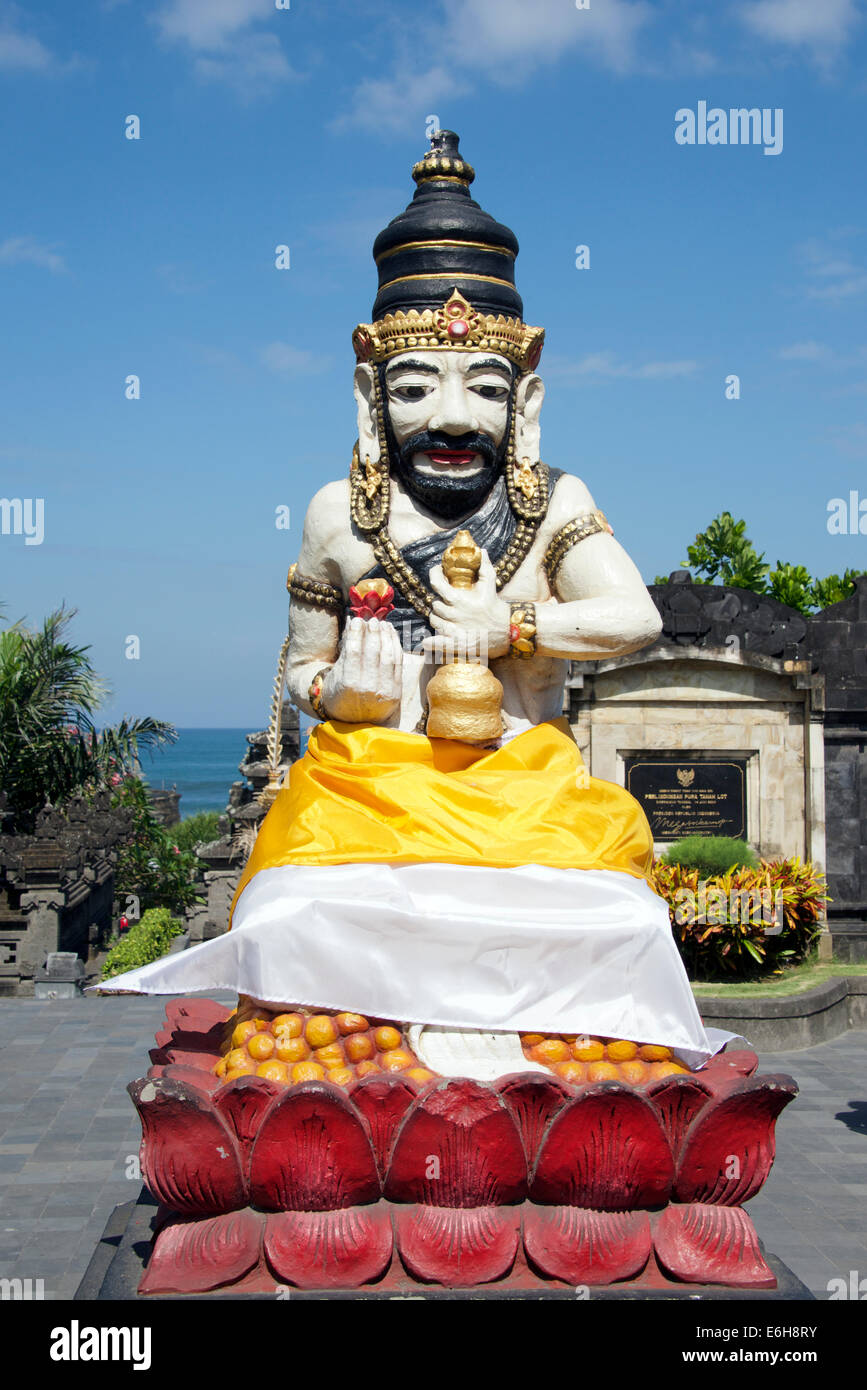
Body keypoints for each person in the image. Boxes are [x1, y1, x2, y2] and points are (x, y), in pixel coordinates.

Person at [100, 133, 726, 1080]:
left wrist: (513, 628)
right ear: (367, 395)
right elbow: (300, 673)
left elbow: (633, 618)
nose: (451, 417)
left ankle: (553, 1077)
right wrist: (342, 695)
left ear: (527, 400)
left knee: (613, 914)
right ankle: (345, 1076)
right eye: (413, 386)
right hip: (369, 784)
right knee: (291, 913)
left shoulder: (551, 501)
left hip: (522, 786)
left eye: (484, 387)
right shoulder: (337, 515)